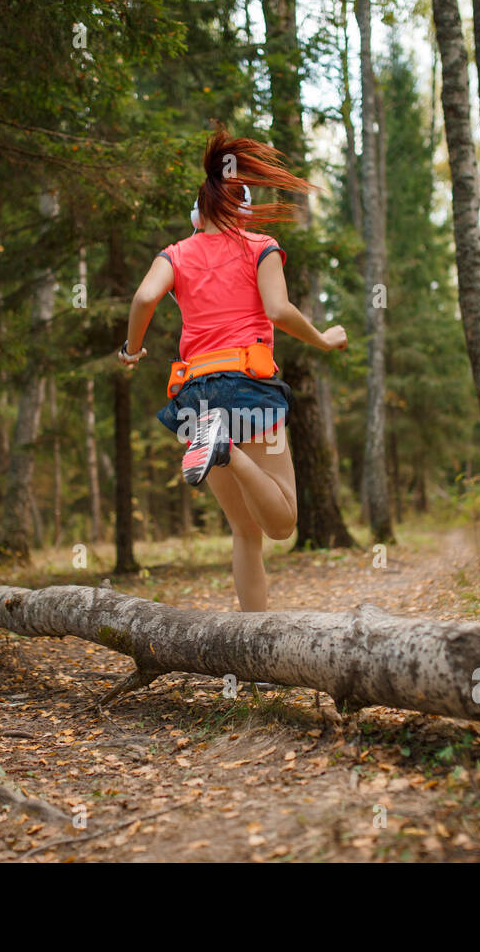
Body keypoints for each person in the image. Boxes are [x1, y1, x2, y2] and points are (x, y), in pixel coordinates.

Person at [117, 130, 347, 613]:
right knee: (282, 525)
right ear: (242, 208)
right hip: (250, 391)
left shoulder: (175, 253)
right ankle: (228, 451)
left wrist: (132, 350)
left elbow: (142, 298)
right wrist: (323, 338)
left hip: (194, 397)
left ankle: (254, 651)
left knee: (245, 532)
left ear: (197, 216)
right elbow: (279, 312)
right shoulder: (260, 245)